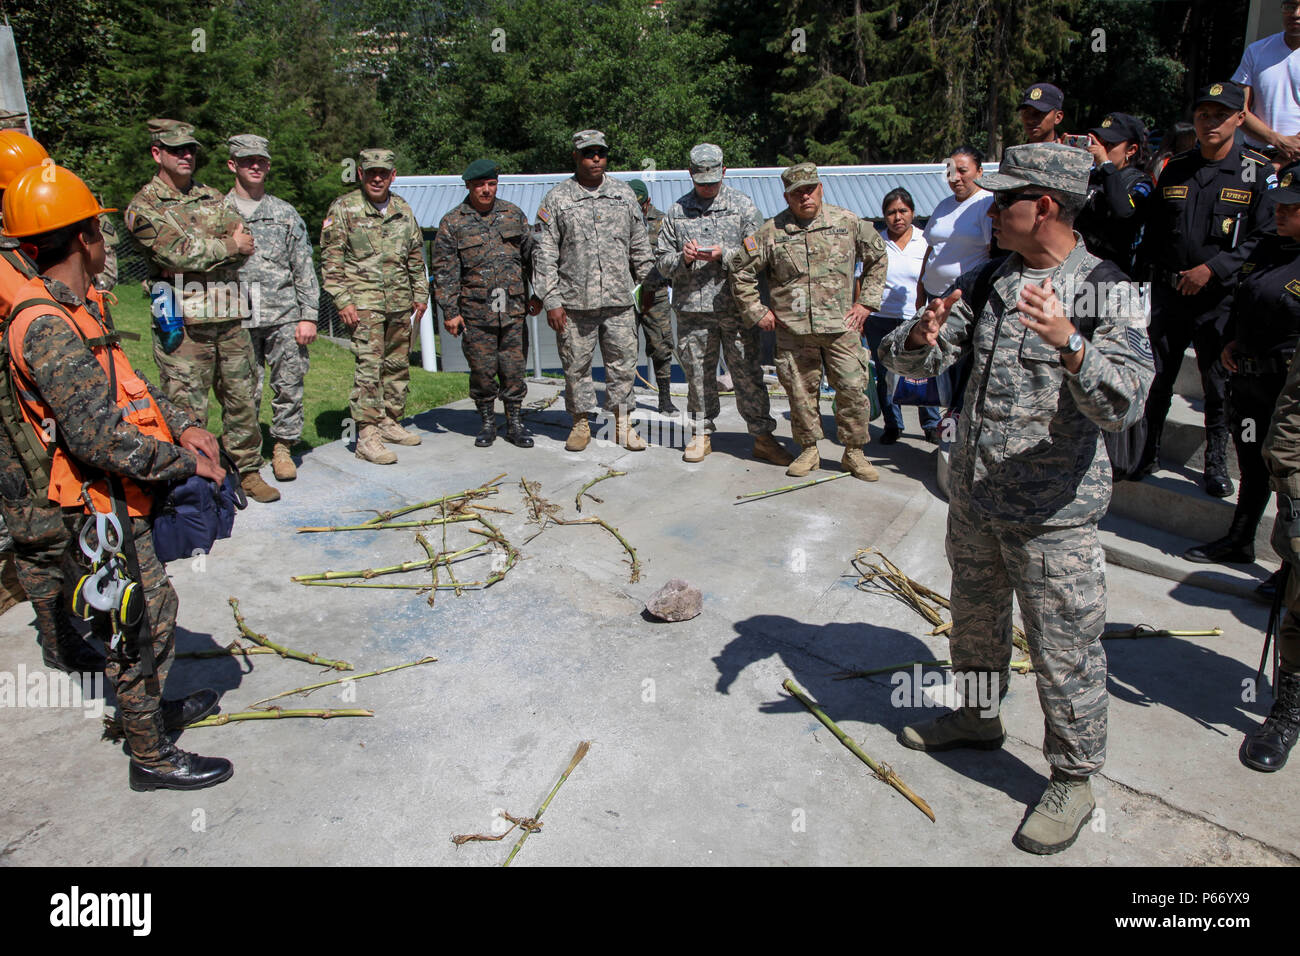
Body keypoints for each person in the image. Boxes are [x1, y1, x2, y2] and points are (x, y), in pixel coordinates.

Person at [879, 143, 1154, 854]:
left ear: (1049, 207)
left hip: (1051, 515)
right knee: (973, 620)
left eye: (1007, 202)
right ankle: (976, 718)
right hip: (975, 496)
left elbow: (1123, 405)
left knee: (1065, 648)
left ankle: (1073, 776)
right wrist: (920, 335)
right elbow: (920, 361)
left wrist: (1072, 346)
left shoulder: (1108, 287)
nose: (993, 212)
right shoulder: (990, 279)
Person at [4, 164, 231, 790]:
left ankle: (152, 716)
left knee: (151, 610)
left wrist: (182, 422)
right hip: (94, 504)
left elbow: (129, 384)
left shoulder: (78, 305)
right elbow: (97, 437)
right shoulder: (47, 325)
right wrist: (188, 464)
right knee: (136, 621)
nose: (108, 241)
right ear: (82, 238)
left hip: (115, 492)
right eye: (100, 231)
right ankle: (151, 756)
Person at [124, 119, 279, 503]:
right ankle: (198, 482)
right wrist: (222, 247)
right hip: (183, 322)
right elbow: (169, 252)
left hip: (229, 315)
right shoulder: (143, 207)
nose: (186, 156)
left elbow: (246, 243)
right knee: (186, 406)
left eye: (190, 149)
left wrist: (199, 252)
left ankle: (247, 470)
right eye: (177, 150)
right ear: (157, 154)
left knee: (243, 398)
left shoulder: (212, 197)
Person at [1135, 82, 1277, 496]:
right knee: (1158, 378)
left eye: (1220, 115)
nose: (1210, 122)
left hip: (1220, 300)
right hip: (1170, 295)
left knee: (1217, 386)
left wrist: (1212, 270)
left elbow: (1263, 239)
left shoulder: (1257, 171)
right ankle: (1147, 449)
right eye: (1203, 114)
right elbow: (1156, 232)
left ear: (1239, 119)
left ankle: (1216, 461)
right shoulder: (1175, 167)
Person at [0, 129, 103, 672]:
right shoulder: (12, 260)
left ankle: (76, 606)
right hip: (15, 412)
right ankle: (58, 635)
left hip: (46, 396)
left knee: (65, 514)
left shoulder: (28, 245)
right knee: (37, 527)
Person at [729, 162, 888, 481]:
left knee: (853, 391)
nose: (805, 197)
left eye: (810, 189)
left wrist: (866, 304)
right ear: (787, 197)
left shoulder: (847, 223)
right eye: (796, 192)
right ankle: (809, 450)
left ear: (821, 189)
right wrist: (757, 311)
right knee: (799, 395)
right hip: (794, 332)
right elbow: (738, 269)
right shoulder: (770, 232)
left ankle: (854, 452)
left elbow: (878, 257)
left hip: (842, 329)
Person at [1184, 162, 1300, 566]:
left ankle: (1291, 565)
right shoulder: (1268, 244)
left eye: (1291, 207)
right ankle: (1240, 539)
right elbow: (1245, 295)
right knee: (1251, 462)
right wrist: (1233, 338)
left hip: (1288, 394)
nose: (1279, 212)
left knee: (1289, 475)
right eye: (1278, 205)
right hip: (1249, 387)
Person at [653, 144, 791, 465]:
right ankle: (701, 435)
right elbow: (660, 263)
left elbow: (760, 252)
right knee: (698, 376)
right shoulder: (676, 212)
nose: (708, 187)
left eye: (713, 181)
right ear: (690, 175)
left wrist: (724, 254)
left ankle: (762, 436)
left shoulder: (742, 207)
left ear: (724, 172)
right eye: (702, 182)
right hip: (692, 313)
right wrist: (682, 259)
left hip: (736, 309)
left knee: (747, 373)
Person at [532, 129, 654, 453]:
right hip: (574, 303)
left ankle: (623, 423)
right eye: (588, 153)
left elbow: (640, 245)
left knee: (624, 364)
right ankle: (580, 422)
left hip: (619, 301)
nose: (595, 158)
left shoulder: (624, 194)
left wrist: (648, 285)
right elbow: (544, 254)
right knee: (576, 366)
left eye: (600, 152)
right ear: (576, 157)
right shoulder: (558, 199)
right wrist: (551, 301)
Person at [321, 148, 429, 465]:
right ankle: (366, 435)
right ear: (361, 174)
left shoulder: (403, 210)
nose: (377, 178)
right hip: (363, 303)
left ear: (393, 175)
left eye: (383, 172)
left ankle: (389, 421)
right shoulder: (344, 208)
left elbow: (415, 257)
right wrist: (342, 300)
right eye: (371, 172)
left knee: (396, 365)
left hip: (399, 301)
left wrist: (420, 294)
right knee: (369, 368)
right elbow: (330, 261)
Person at [224, 134, 319, 482]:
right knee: (241, 389)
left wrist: (309, 315)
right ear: (233, 164)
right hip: (236, 315)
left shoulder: (284, 213)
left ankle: (282, 447)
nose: (255, 166)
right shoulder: (218, 211)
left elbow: (303, 266)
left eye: (261, 160)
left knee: (288, 384)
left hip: (283, 315)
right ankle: (244, 454)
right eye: (247, 160)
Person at [431, 158, 540, 449]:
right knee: (482, 370)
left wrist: (538, 294)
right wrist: (450, 312)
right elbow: (445, 271)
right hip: (477, 312)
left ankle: (515, 423)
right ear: (468, 185)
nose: (486, 190)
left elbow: (532, 257)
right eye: (480, 185)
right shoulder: (453, 222)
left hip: (513, 309)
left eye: (491, 184)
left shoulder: (513, 214)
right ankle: (488, 423)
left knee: (514, 368)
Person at [867, 187, 936, 444]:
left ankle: (930, 424)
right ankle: (893, 425)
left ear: (912, 212)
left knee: (921, 371)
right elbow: (861, 278)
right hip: (880, 317)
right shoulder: (876, 242)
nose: (897, 217)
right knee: (887, 374)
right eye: (891, 212)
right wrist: (861, 312)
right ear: (884, 216)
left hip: (914, 318)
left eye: (902, 211)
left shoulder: (926, 240)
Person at [1075, 112, 1153, 273]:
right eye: (1098, 142)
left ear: (1131, 150)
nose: (1099, 149)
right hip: (1078, 266)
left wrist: (1106, 165)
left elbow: (1124, 212)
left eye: (1108, 145)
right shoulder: (1090, 175)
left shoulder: (1141, 182)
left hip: (1114, 272)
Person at [628, 178, 677, 415]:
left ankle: (664, 398)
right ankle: (624, 399)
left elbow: (672, 256)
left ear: (648, 202)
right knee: (623, 347)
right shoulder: (619, 220)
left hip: (655, 293)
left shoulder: (663, 222)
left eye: (641, 205)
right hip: (626, 295)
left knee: (661, 345)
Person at [1232, 0, 1300, 162]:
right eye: (1290, 7)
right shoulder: (1256, 51)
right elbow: (1240, 109)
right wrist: (1276, 140)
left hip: (1296, 159)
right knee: (1247, 187)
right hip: (1254, 156)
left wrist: (1284, 158)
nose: (1296, 14)